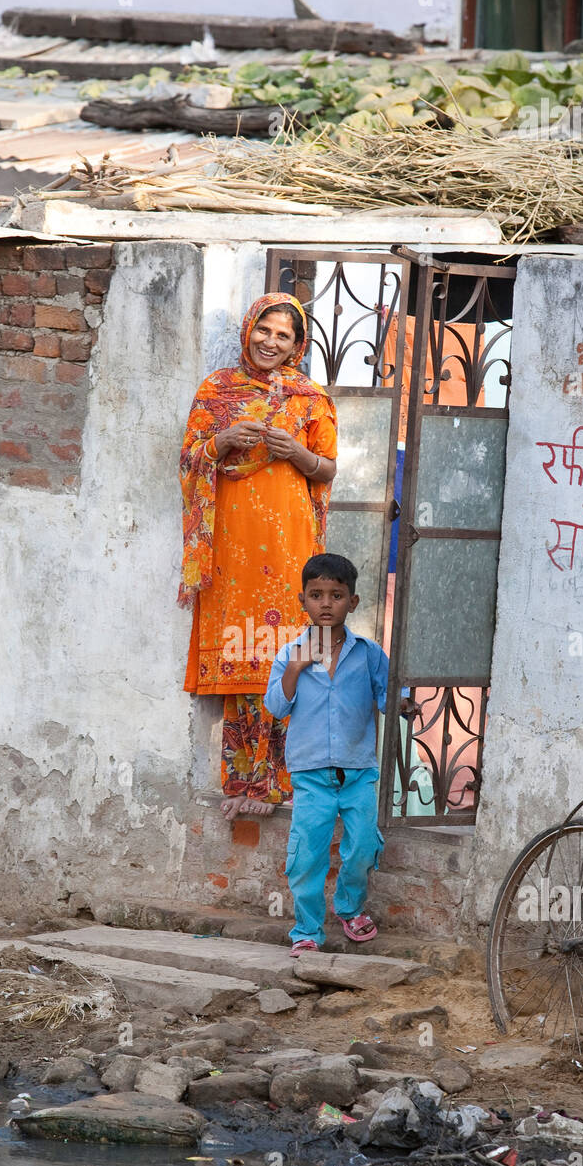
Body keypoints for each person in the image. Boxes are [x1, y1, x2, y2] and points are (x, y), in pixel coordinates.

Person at [179, 293, 338, 821]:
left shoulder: (310, 398)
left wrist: (297, 453)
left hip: (291, 545)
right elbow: (189, 459)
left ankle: (284, 780)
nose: (271, 342)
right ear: (249, 330)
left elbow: (329, 469)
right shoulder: (217, 390)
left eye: (283, 335)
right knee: (241, 658)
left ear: (298, 345)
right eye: (264, 330)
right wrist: (221, 440)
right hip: (233, 549)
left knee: (285, 656)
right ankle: (245, 779)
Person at [264, 552, 388, 956]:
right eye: (316, 595)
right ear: (303, 601)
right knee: (307, 856)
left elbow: (388, 696)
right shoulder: (289, 653)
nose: (326, 603)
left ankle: (349, 909)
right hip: (311, 774)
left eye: (336, 595)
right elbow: (277, 708)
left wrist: (404, 704)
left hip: (358, 771)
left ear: (352, 602)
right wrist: (295, 669)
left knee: (364, 845)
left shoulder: (368, 654)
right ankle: (307, 930)